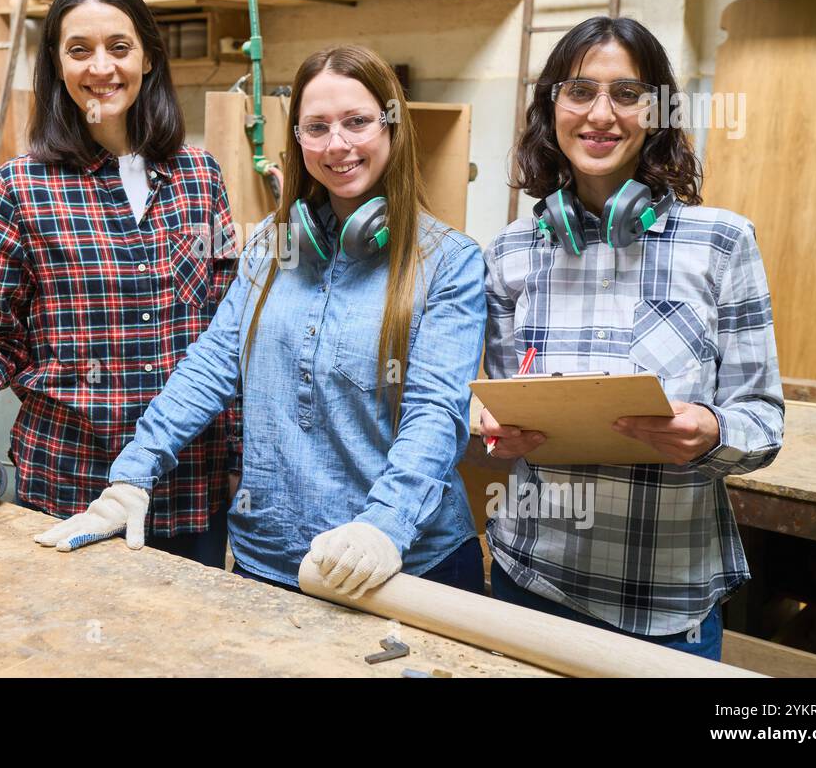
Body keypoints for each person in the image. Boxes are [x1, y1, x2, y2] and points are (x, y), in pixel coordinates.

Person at [34, 45, 488, 600]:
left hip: (401, 570)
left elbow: (437, 413)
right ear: (296, 140)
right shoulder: (272, 250)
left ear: (393, 128)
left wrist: (383, 526)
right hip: (268, 561)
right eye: (316, 127)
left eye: (358, 122)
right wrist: (133, 473)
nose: (337, 144)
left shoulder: (449, 261)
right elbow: (212, 363)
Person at [0, 0, 240, 568]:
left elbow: (232, 332)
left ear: (147, 56)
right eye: (80, 50)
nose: (102, 67)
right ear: (57, 64)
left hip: (186, 485)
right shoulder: (19, 188)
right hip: (72, 482)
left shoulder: (202, 176)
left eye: (119, 47)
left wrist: (242, 460)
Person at [481, 16, 784, 659]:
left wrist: (713, 433)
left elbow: (763, 423)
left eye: (626, 94)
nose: (602, 115)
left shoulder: (722, 243)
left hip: (665, 605)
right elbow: (500, 413)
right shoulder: (509, 253)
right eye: (580, 91)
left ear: (657, 114)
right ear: (551, 108)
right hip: (527, 584)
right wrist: (496, 433)